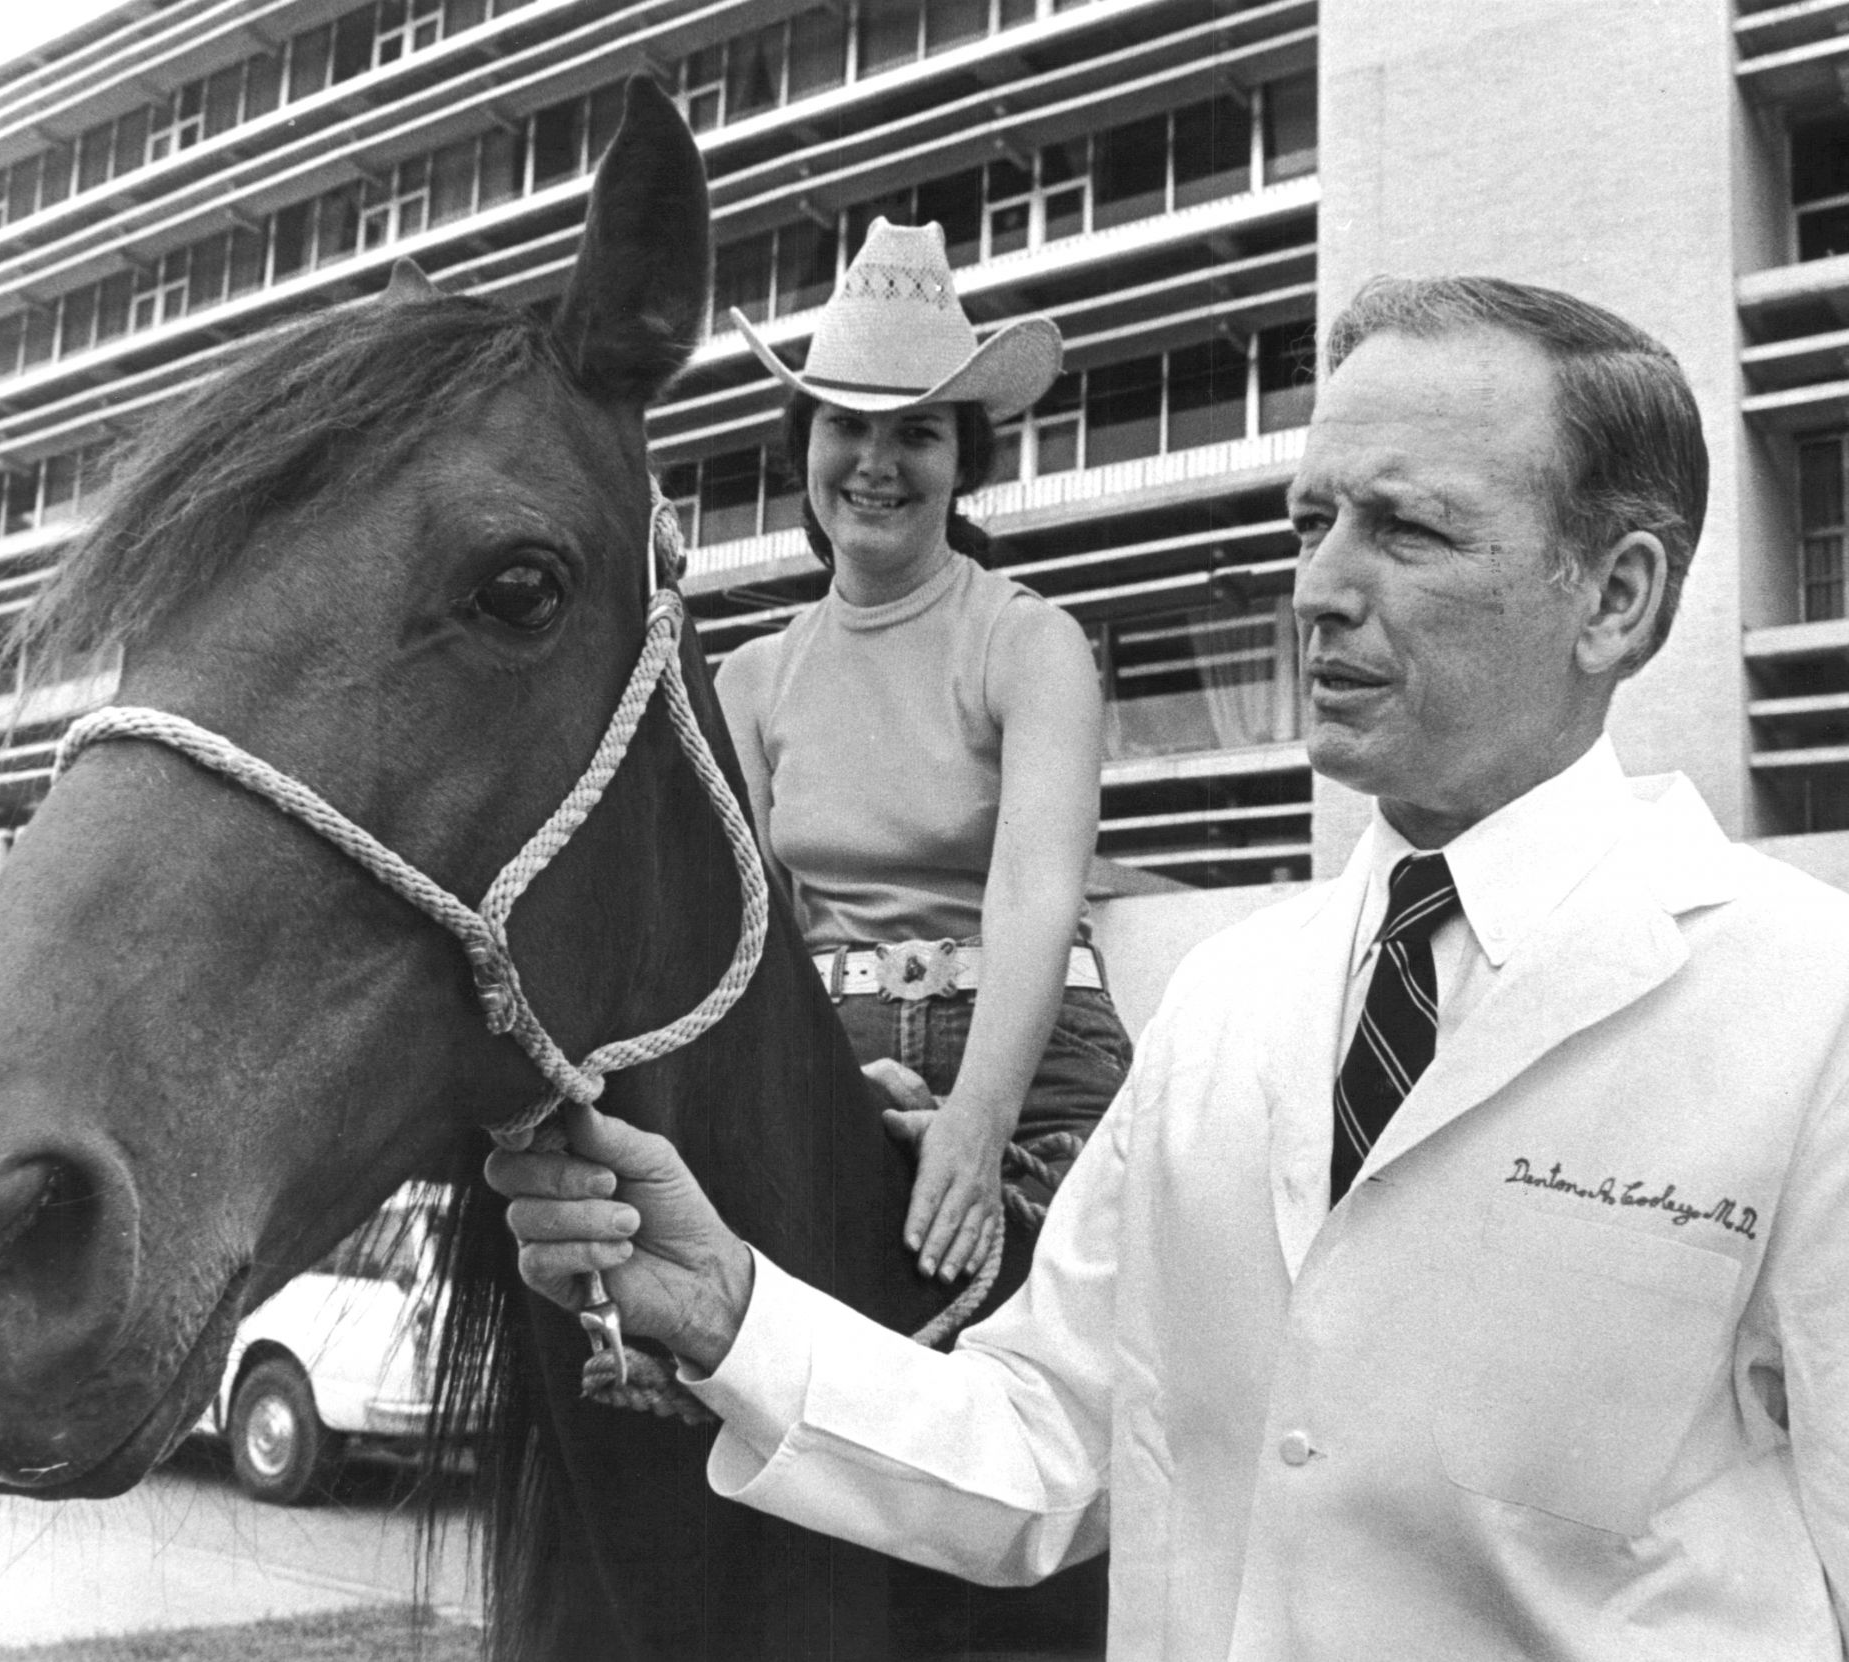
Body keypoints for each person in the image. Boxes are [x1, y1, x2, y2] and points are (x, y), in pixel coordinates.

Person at [492, 273, 1849, 1660]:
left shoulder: (1809, 1012)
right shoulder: (1223, 1009)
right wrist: (726, 1306)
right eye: (1312, 523)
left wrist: (976, 1120)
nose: (1318, 588)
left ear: (1617, 598)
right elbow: (1037, 1446)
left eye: (1408, 529)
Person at [715, 218, 1132, 1289]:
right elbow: (747, 933)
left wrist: (976, 1125)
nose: (875, 463)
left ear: (962, 463)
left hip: (1030, 1063)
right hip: (826, 1051)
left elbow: (1036, 892)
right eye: (845, 426)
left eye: (917, 433)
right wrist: (824, 1085)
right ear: (801, 444)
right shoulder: (749, 680)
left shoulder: (1029, 641)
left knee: (1038, 1329)